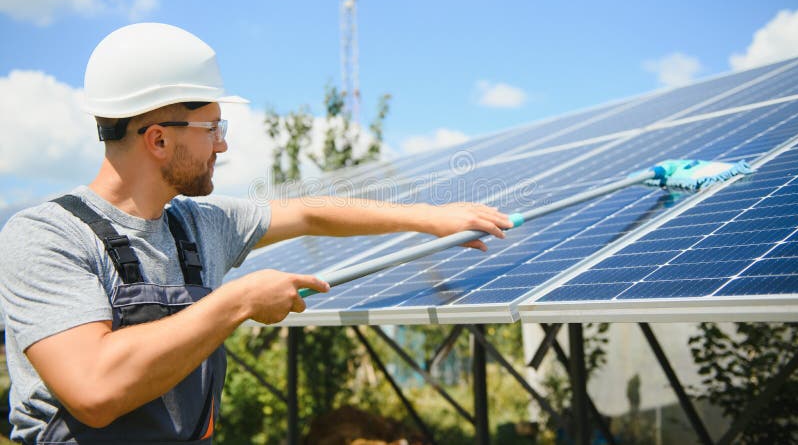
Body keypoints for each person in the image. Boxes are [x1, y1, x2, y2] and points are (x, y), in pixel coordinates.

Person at [0, 23, 512, 444]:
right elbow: (95, 389)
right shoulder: (47, 237)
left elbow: (310, 212)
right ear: (157, 139)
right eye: (213, 129)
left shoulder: (199, 226)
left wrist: (428, 218)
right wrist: (237, 301)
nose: (221, 147)